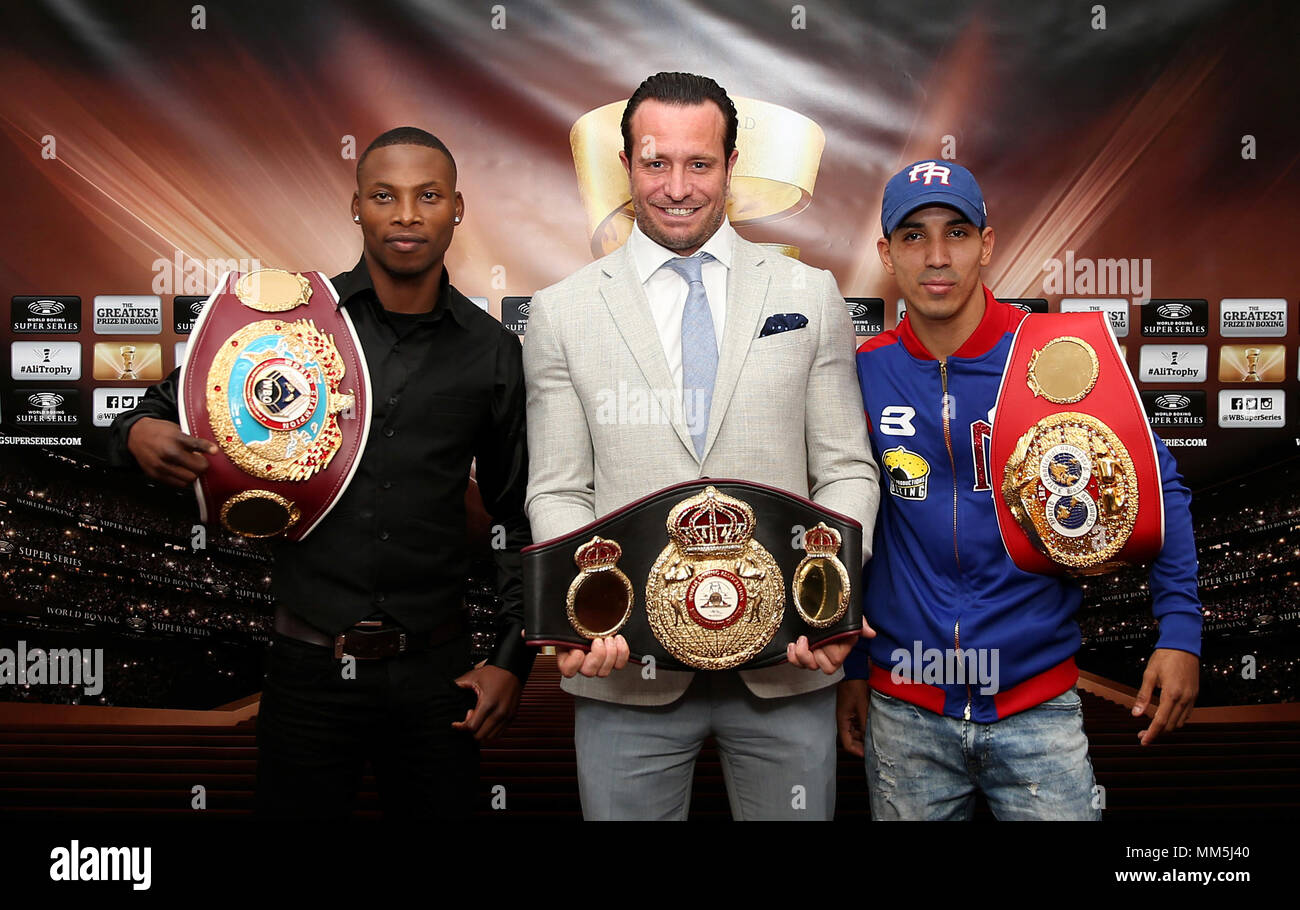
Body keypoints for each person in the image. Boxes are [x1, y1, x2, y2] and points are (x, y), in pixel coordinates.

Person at [109, 127, 534, 819]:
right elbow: (157, 410)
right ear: (355, 207)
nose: (405, 214)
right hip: (307, 669)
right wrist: (139, 432)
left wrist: (512, 660)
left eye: (427, 196)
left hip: (439, 676)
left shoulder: (492, 352)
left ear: (457, 208)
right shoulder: (287, 321)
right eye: (383, 196)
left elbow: (521, 517)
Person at [523, 72, 880, 820]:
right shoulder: (560, 315)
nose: (677, 187)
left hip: (791, 664)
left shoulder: (809, 295)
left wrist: (830, 595)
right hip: (625, 671)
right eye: (657, 163)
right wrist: (587, 608)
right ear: (627, 165)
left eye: (700, 164)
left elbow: (846, 470)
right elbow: (558, 490)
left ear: (731, 164)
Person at [837, 159, 1202, 820]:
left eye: (957, 232)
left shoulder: (1053, 355)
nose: (938, 256)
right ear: (887, 254)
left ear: (988, 243)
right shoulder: (864, 371)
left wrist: (1179, 631)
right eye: (914, 236)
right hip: (906, 703)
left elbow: (1159, 486)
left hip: (1036, 704)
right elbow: (857, 525)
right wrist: (857, 671)